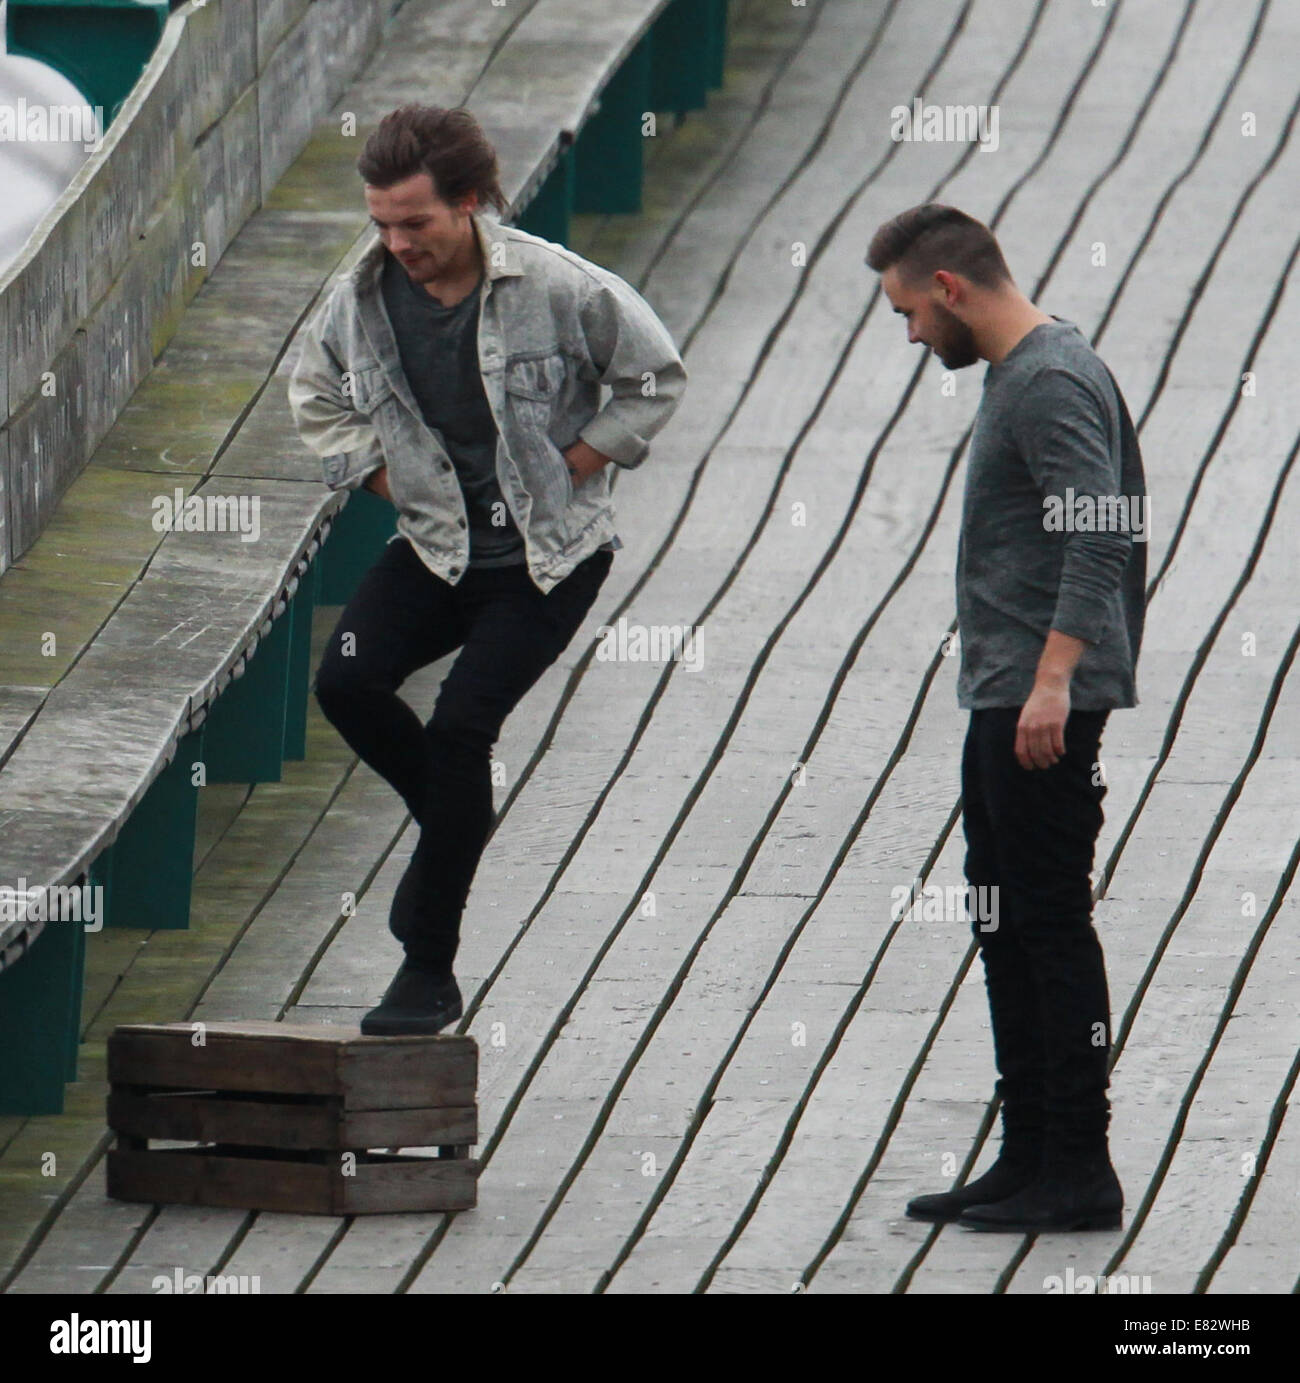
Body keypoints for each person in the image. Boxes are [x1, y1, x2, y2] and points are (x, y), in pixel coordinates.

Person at [288, 105, 686, 1035]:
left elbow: (656, 376)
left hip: (547, 560)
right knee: (345, 680)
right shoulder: (361, 298)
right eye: (380, 222)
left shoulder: (556, 285)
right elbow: (312, 393)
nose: (396, 242)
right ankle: (452, 828)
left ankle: (429, 968)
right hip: (436, 545)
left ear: (468, 204)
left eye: (415, 222)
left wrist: (575, 463)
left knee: (464, 724)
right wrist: (382, 474)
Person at [867, 204, 1146, 1232]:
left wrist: (1052, 681)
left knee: (1046, 920)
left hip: (1037, 700)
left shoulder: (1049, 380)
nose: (907, 337)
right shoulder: (1019, 374)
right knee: (1002, 919)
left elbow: (1101, 530)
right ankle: (1027, 1149)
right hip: (1007, 689)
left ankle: (1077, 1164)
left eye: (906, 312)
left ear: (947, 288)